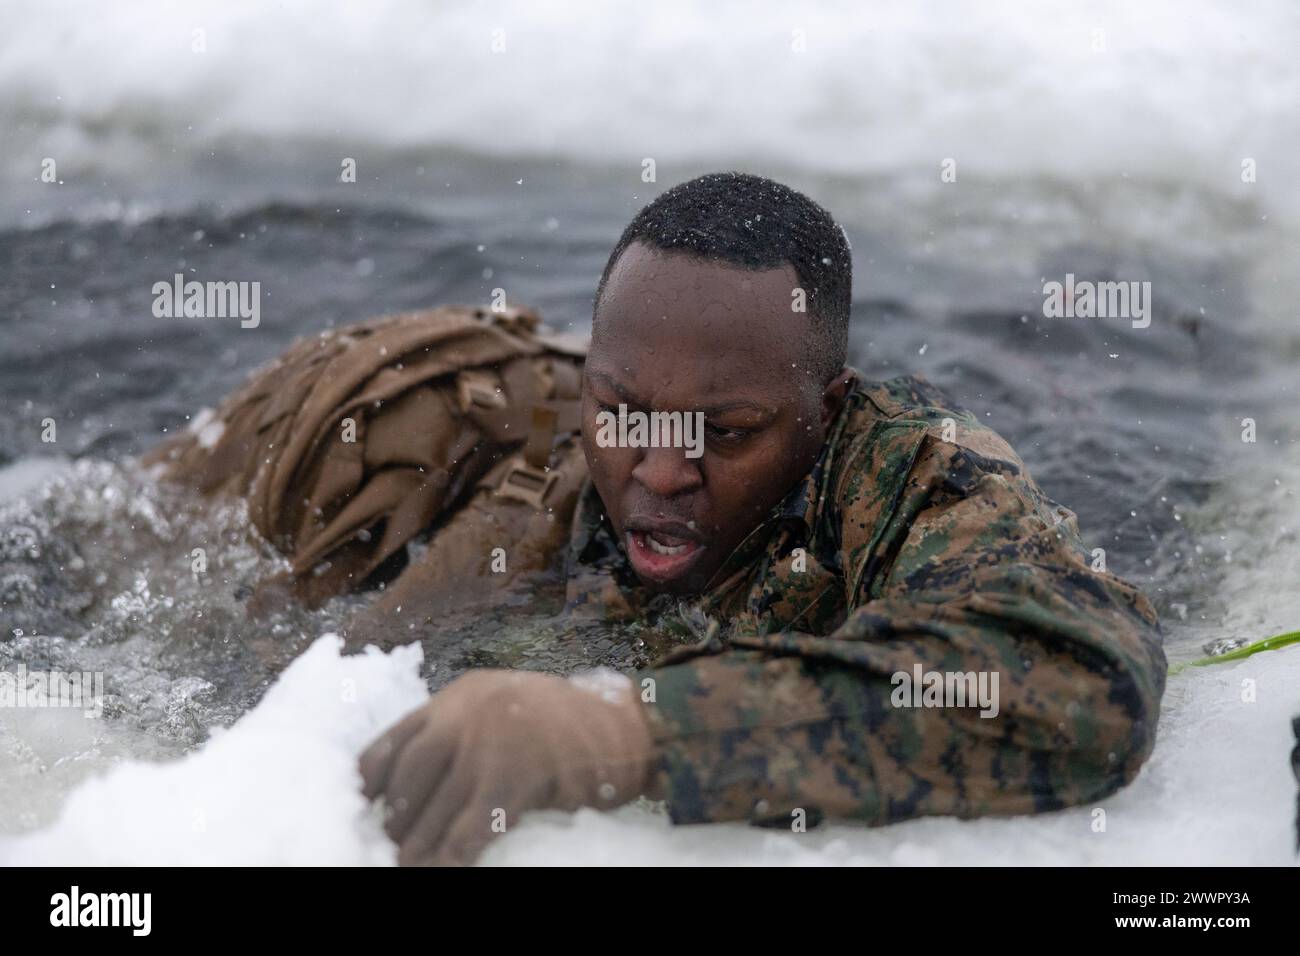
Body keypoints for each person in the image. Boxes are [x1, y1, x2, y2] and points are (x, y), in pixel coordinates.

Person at [148, 172, 1166, 865]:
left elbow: (1077, 684)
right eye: (625, 412)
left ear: (825, 407)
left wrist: (623, 731)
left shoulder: (911, 474)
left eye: (726, 431)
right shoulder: (528, 460)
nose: (660, 470)